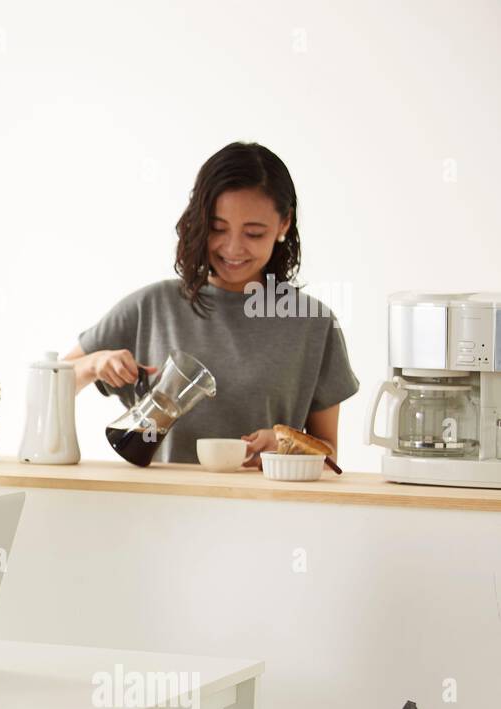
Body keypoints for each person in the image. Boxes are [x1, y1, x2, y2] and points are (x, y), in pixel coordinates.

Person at [64, 142, 360, 467]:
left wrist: (284, 443)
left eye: (254, 233)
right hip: (160, 510)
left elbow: (329, 454)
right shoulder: (151, 307)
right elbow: (51, 387)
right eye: (218, 229)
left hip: (272, 512)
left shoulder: (311, 323)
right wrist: (94, 364)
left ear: (284, 225)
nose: (233, 248)